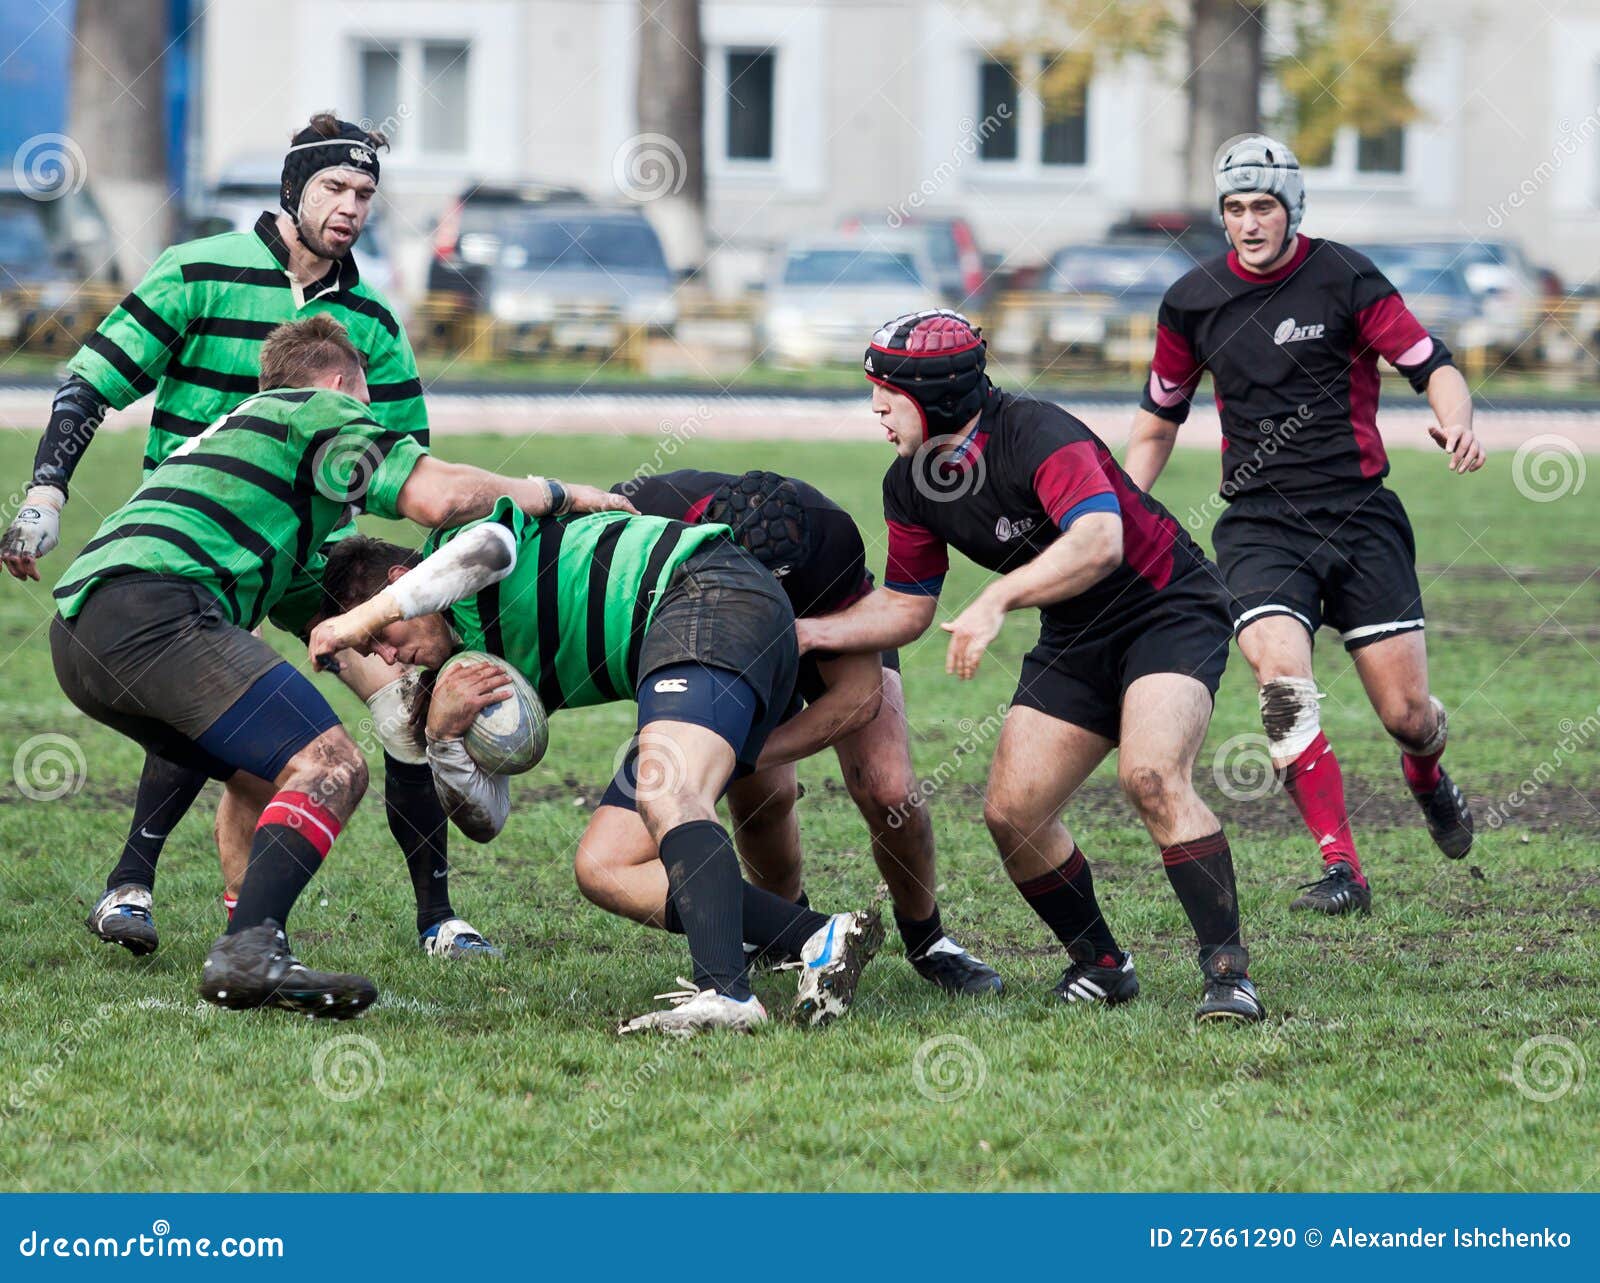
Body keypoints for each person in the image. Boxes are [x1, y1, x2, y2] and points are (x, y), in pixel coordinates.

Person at [0, 112, 493, 959]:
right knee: (220, 690)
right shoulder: (200, 269)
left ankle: (436, 918)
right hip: (193, 551)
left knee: (403, 699)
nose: (350, 207)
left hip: (305, 556)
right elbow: (91, 384)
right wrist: (46, 489)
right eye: (334, 187)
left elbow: (409, 464)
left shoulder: (372, 323)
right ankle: (136, 882)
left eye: (364, 193)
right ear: (294, 188)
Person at [47, 316, 620, 1014]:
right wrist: (557, 493)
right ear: (342, 383)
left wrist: (417, 707)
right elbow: (439, 498)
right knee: (334, 765)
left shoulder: (255, 471)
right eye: (367, 404)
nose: (373, 421)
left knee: (265, 770)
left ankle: (250, 950)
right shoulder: (314, 411)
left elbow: (343, 631)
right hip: (156, 608)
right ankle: (248, 948)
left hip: (78, 637)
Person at [799, 308, 1265, 1023]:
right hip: (1076, 631)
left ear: (938, 396)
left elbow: (1100, 541)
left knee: (1150, 775)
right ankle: (1102, 965)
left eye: (889, 394)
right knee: (1014, 814)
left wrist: (997, 597)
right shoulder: (910, 484)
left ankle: (1229, 976)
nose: (876, 409)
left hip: (1168, 607)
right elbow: (907, 608)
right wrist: (806, 633)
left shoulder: (1036, 432)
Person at [309, 503, 886, 1037]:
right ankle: (817, 935)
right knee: (605, 865)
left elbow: (491, 547)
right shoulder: (469, 669)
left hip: (705, 593)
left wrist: (371, 615)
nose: (388, 658)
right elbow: (489, 820)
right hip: (714, 638)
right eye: (373, 652)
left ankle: (725, 992)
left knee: (670, 792)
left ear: (400, 586)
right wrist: (442, 742)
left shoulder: (458, 553)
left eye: (381, 636)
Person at [1124, 134, 1485, 916]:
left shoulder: (1345, 276)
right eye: (1234, 208)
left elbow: (1433, 365)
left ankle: (1427, 774)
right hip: (1260, 526)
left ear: (1292, 209)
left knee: (1408, 716)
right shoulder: (1191, 301)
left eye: (1263, 206)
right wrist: (1117, 509)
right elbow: (1158, 419)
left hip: (1359, 518)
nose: (1249, 223)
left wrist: (1457, 421)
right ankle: (1342, 866)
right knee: (1281, 683)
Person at [591, 467, 1001, 994]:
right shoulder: (651, 510)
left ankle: (928, 940)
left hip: (822, 627)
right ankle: (787, 934)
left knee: (888, 789)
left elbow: (858, 699)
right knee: (762, 800)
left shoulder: (825, 534)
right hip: (722, 640)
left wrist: (740, 753)